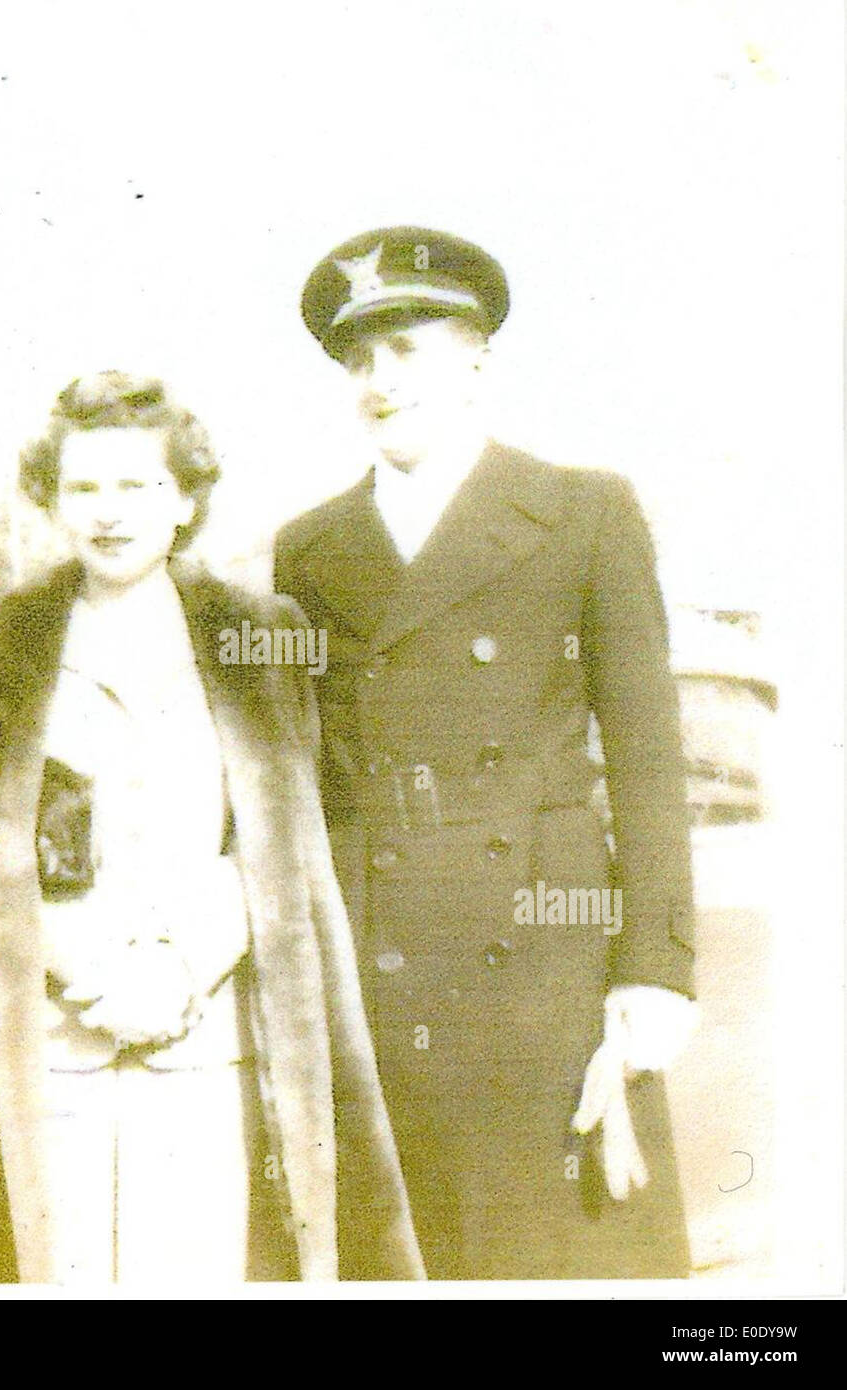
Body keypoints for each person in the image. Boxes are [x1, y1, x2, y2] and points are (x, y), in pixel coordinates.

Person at [0, 370, 423, 1283]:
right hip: (49, 1046)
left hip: (206, 1042)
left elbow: (287, 849)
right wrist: (86, 964)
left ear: (184, 500)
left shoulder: (260, 636)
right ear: (50, 501)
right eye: (83, 487)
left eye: (137, 486)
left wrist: (179, 965)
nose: (108, 513)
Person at [274, 226, 699, 1279]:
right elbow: (300, 774)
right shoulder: (310, 546)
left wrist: (655, 969)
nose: (380, 381)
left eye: (408, 349)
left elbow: (646, 756)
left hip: (549, 959)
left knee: (556, 1258)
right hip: (381, 960)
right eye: (358, 359)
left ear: (476, 359)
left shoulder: (582, 511)